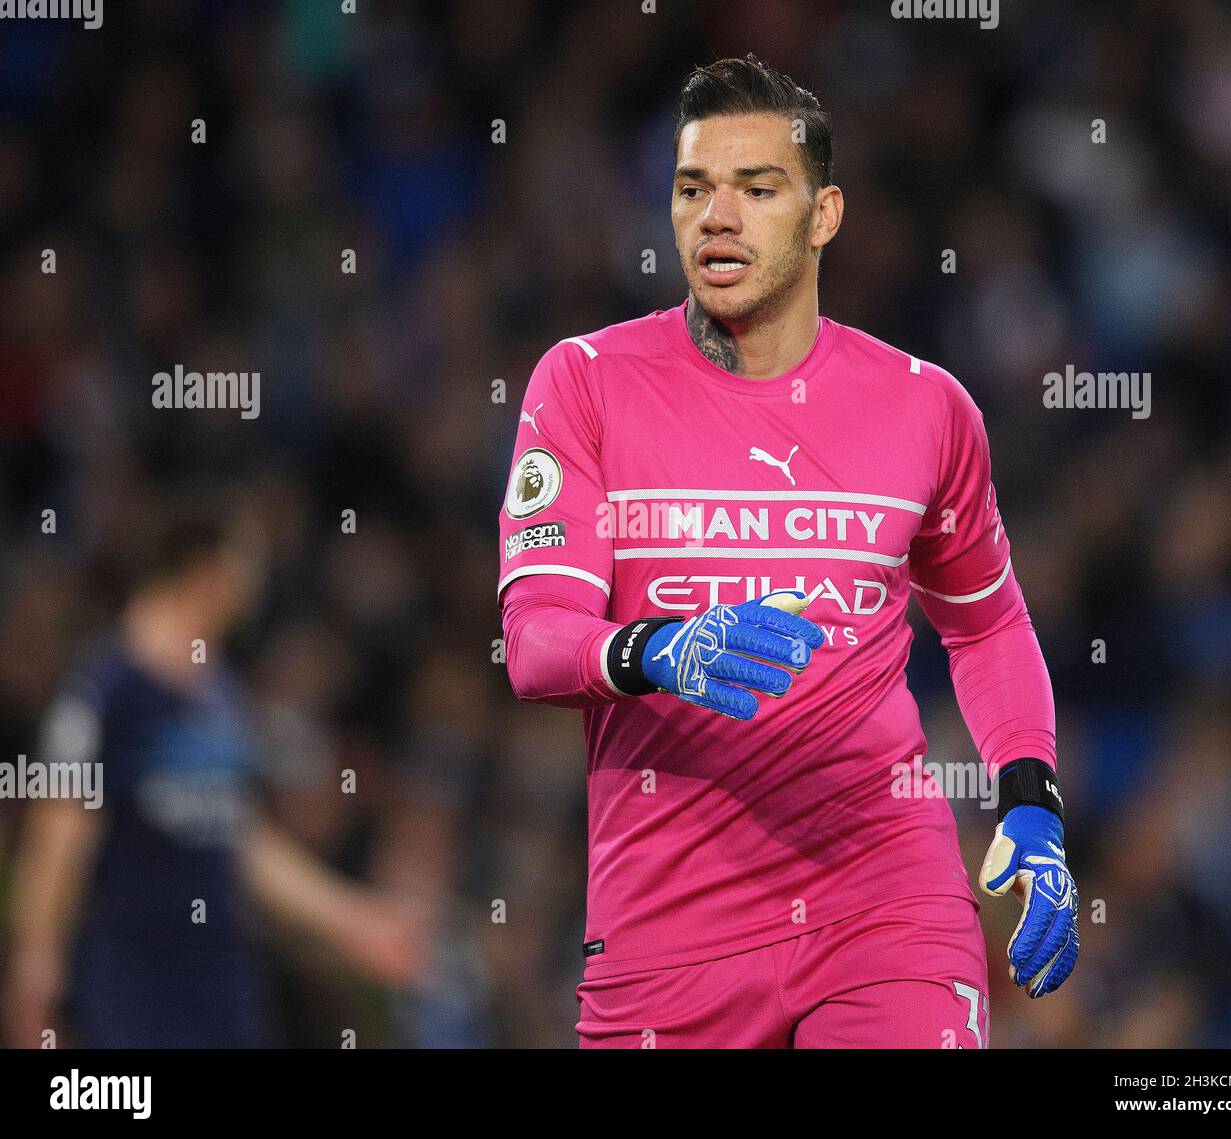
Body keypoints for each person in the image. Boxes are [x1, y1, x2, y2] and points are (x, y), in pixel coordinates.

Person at [496, 55, 1079, 1048]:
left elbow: (985, 621)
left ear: (823, 216)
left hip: (887, 899)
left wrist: (1030, 797)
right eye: (693, 189)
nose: (716, 216)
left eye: (757, 189)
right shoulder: (585, 382)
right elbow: (535, 641)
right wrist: (653, 649)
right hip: (668, 928)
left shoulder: (925, 405)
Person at [3, 492, 428, 1048]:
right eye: (245, 562)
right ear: (206, 571)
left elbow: (240, 839)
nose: (256, 584)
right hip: (132, 980)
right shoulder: (105, 692)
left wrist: (350, 918)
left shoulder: (220, 694)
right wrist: (37, 965)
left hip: (222, 980)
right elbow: (58, 835)